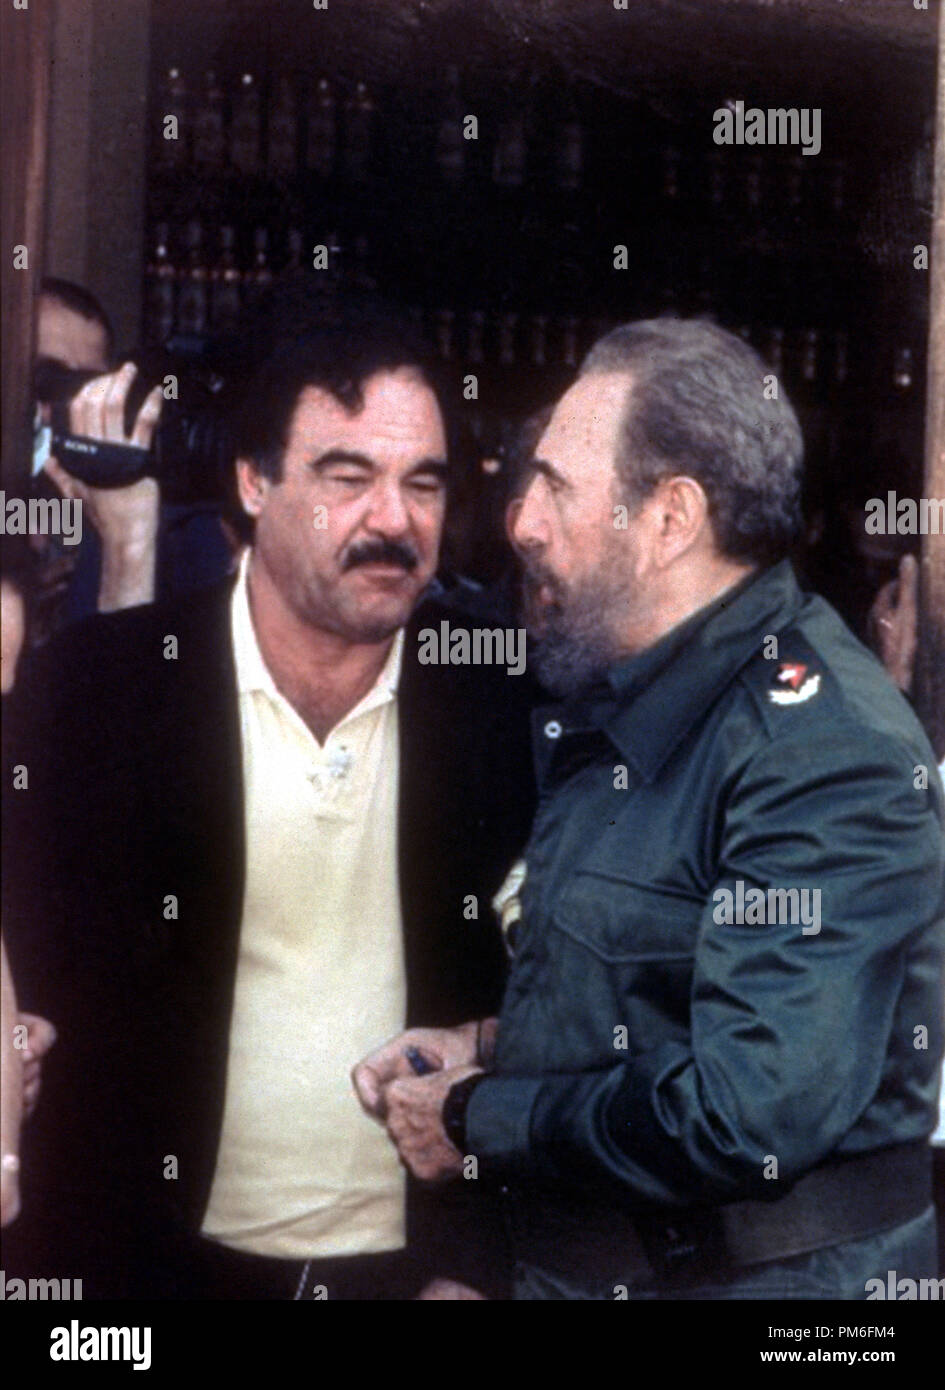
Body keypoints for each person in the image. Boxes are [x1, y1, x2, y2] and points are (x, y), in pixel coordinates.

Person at [355, 317, 945, 1300]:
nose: (521, 521)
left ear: (672, 520)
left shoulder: (820, 752)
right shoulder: (639, 695)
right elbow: (668, 987)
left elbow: (748, 1111)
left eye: (557, 487)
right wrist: (491, 1046)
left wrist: (479, 1114)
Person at [1, 295, 535, 1299]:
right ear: (253, 482)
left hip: (415, 1277)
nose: (394, 519)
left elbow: (550, 1005)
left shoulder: (499, 710)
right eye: (349, 478)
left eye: (423, 482)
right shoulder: (96, 690)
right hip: (155, 1275)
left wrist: (475, 1262)